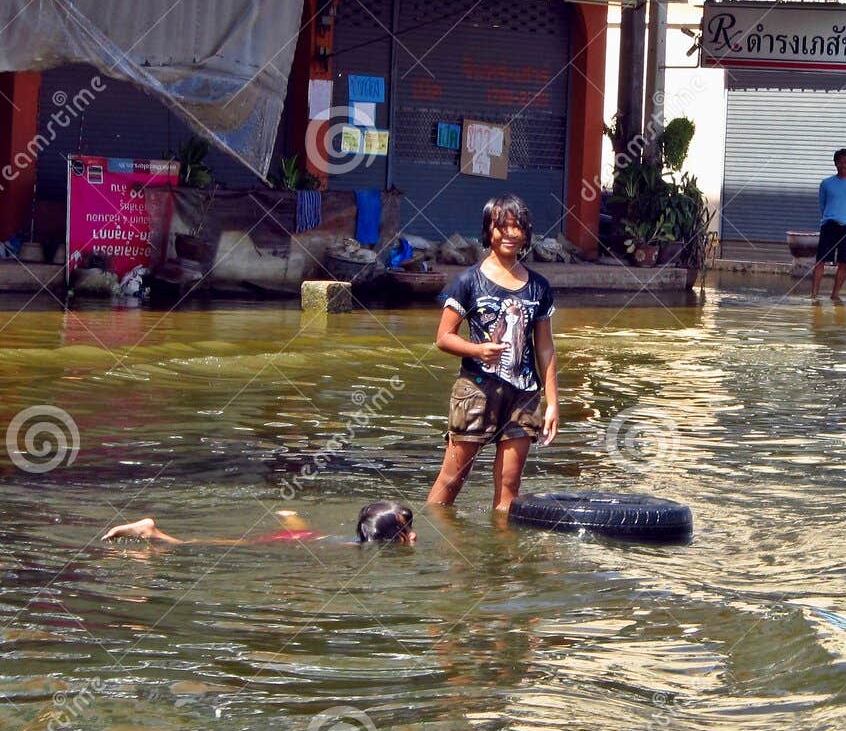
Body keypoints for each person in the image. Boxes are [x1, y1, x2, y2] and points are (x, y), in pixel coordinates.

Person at [427, 193, 560, 512]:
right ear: (488, 230)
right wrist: (477, 349)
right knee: (451, 481)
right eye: (502, 227)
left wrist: (552, 402)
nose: (511, 234)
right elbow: (444, 337)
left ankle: (500, 557)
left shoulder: (538, 287)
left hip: (523, 395)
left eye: (518, 227)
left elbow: (545, 346)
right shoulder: (468, 281)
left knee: (509, 490)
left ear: (527, 233)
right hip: (476, 392)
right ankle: (434, 546)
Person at [102, 503, 416, 546]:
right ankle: (152, 532)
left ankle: (289, 514)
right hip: (296, 541)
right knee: (231, 545)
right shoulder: (361, 551)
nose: (413, 536)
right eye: (406, 530)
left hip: (306, 536)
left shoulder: (356, 542)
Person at [811, 148, 846, 303]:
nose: (843, 165)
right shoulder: (826, 183)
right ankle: (814, 294)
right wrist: (830, 216)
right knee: (820, 260)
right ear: (835, 163)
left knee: (844, 262)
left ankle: (835, 295)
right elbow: (822, 204)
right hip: (829, 226)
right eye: (840, 162)